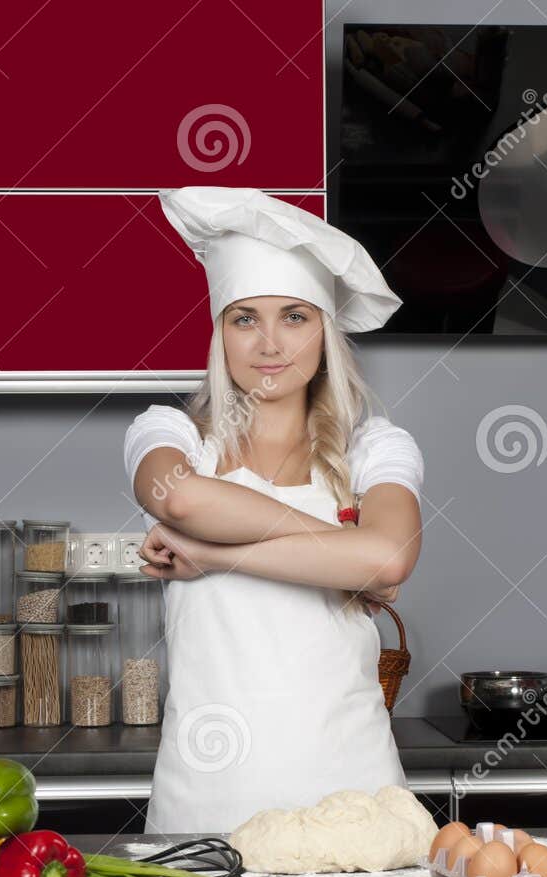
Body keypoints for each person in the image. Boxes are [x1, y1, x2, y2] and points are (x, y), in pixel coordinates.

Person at [123, 187, 425, 835]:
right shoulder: (172, 437)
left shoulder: (375, 447)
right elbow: (178, 496)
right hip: (205, 807)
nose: (269, 344)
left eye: (294, 316)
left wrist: (215, 551)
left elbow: (391, 556)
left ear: (324, 332)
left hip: (357, 804)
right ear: (220, 334)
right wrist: (347, 559)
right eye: (244, 318)